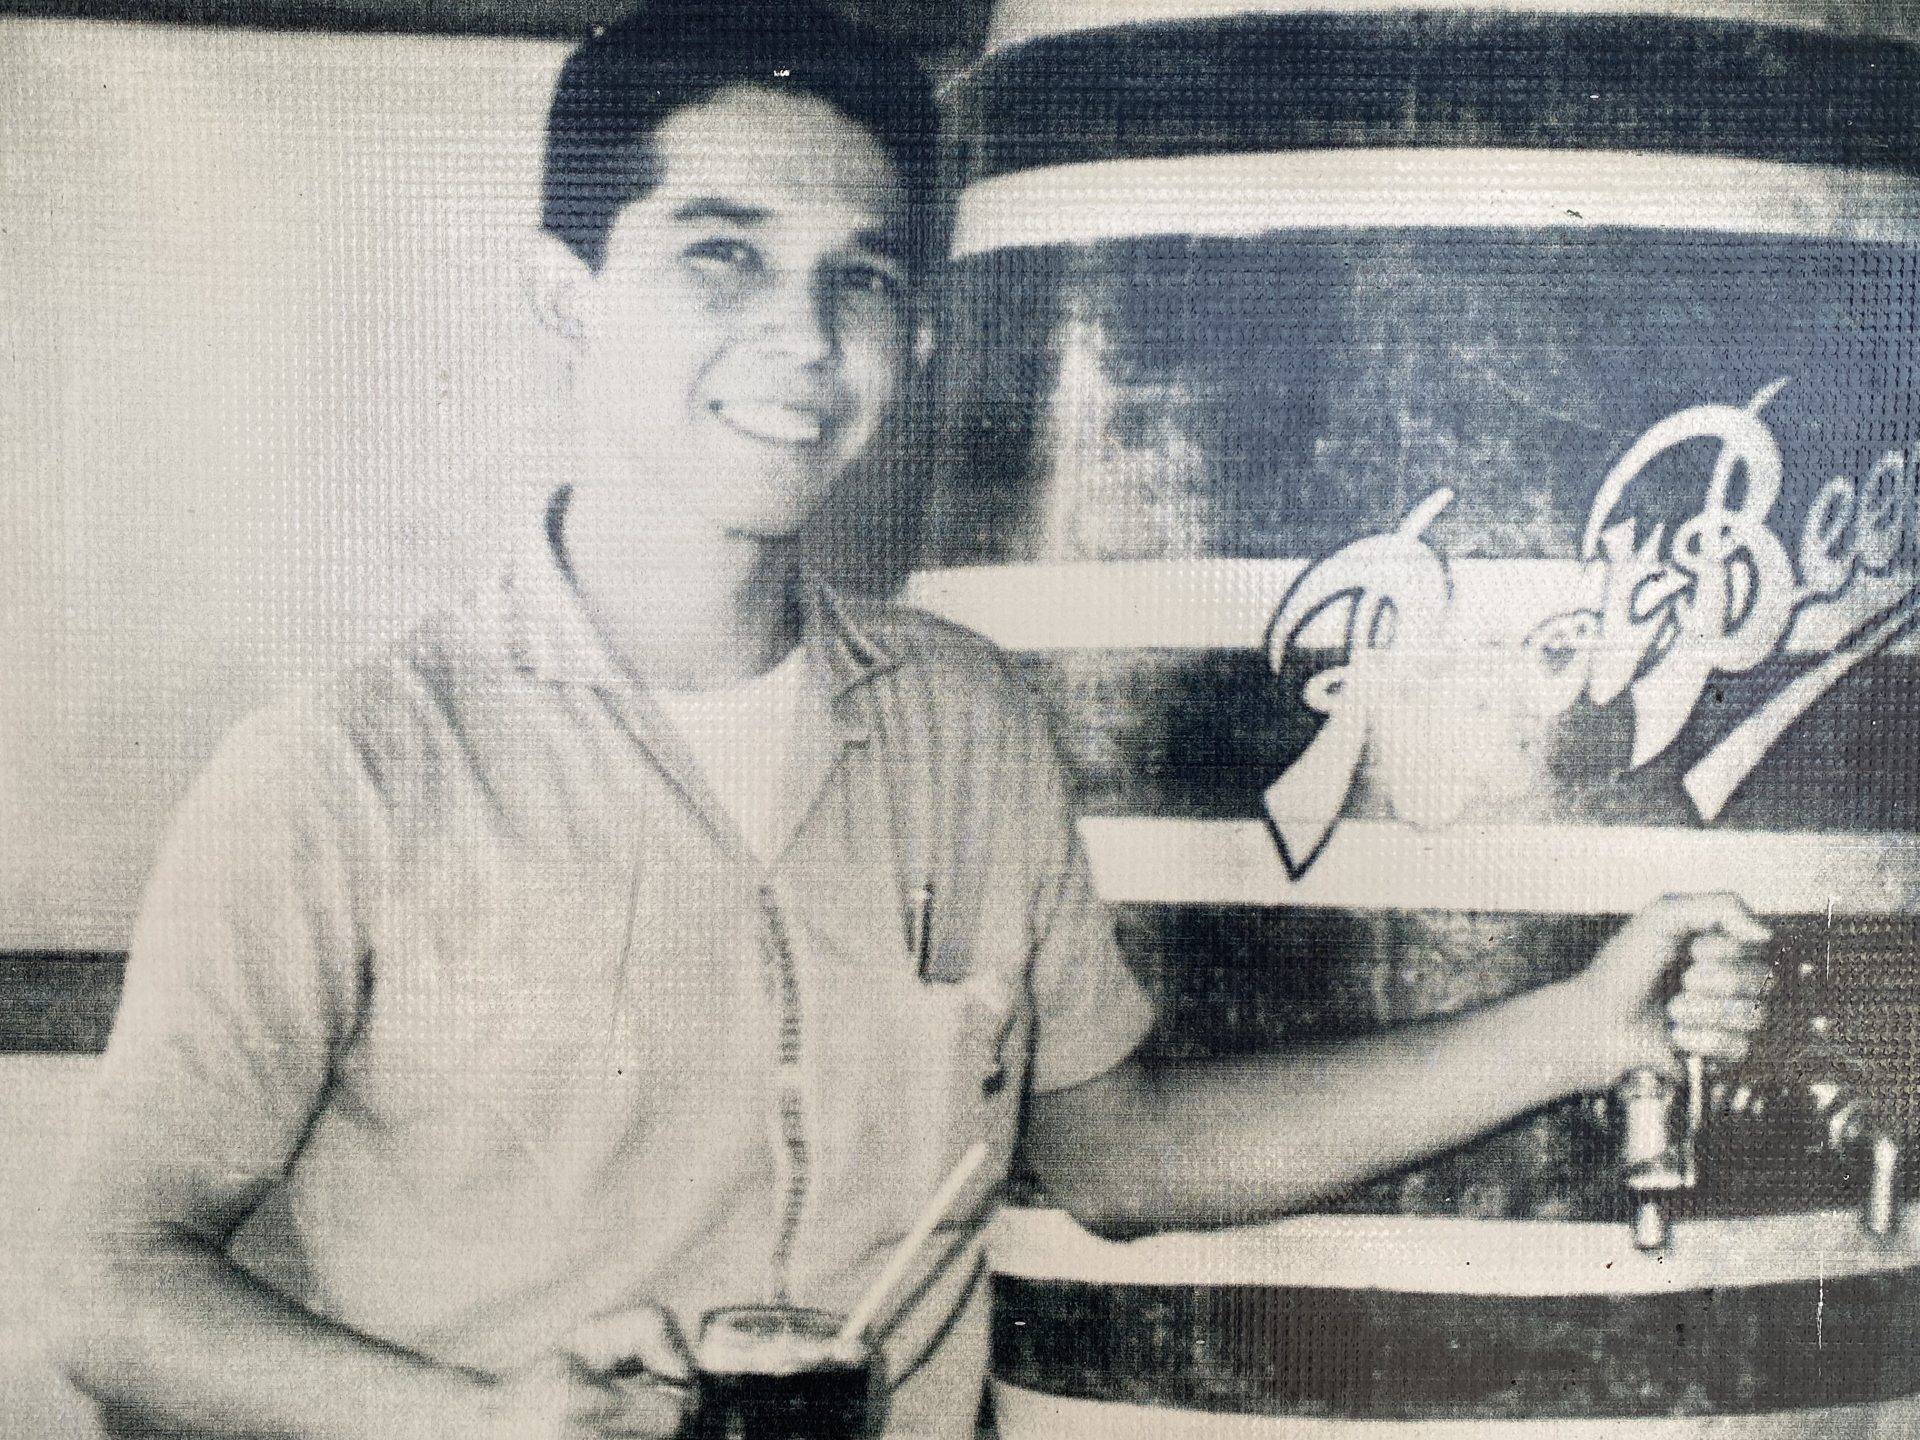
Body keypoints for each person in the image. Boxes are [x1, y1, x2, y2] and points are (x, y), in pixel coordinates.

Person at [48, 3, 1775, 1437]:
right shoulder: (341, 773)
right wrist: (476, 1419)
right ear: (569, 303)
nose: (801, 338)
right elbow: (105, 1288)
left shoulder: (967, 728)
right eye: (722, 258)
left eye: (859, 279)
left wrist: (1574, 1033)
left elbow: (1125, 1154)